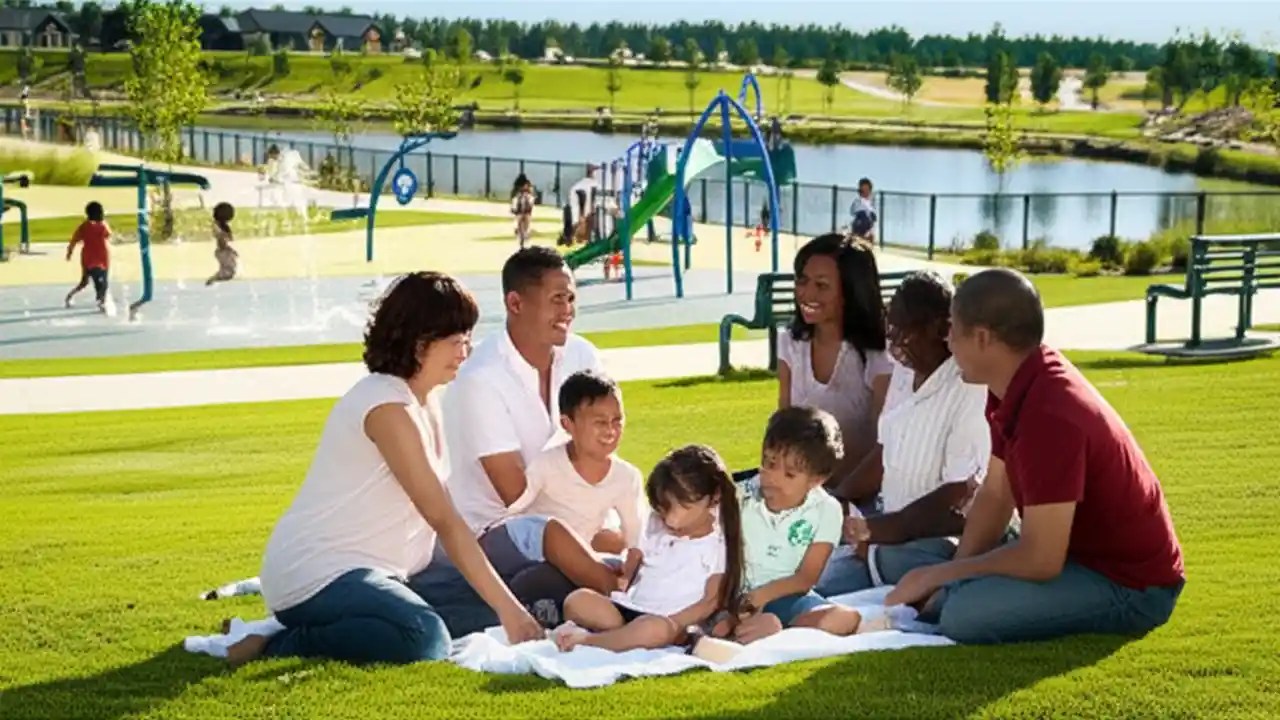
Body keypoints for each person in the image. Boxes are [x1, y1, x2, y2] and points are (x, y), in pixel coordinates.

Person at [227, 272, 543, 667]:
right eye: (455, 340)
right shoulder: (386, 407)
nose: (465, 351)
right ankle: (274, 643)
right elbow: (443, 517)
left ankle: (378, 620)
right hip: (319, 573)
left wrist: (506, 604)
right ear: (417, 342)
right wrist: (509, 610)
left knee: (490, 609)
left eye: (467, 338)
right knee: (423, 638)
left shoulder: (426, 402)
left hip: (390, 572)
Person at [885, 268, 1186, 644]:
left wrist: (942, 579)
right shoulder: (1013, 383)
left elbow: (1040, 559)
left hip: (1129, 584)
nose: (948, 342)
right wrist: (955, 572)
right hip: (1069, 551)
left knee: (963, 615)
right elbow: (995, 495)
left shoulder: (1050, 412)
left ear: (981, 338)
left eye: (953, 331)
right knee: (916, 562)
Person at [432, 247, 616, 624]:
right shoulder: (480, 378)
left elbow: (601, 453)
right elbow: (517, 497)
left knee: (638, 535)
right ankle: (632, 600)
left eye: (571, 298)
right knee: (559, 539)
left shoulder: (584, 357)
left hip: (570, 517)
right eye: (556, 299)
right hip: (492, 530)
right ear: (515, 303)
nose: (568, 309)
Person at [817, 271, 991, 597]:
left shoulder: (970, 387)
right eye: (890, 329)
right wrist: (837, 497)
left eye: (904, 332)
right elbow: (886, 451)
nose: (894, 344)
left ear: (942, 329)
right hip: (884, 530)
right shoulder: (904, 370)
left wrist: (877, 532)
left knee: (824, 588)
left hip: (932, 542)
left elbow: (958, 498)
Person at [551, 445, 743, 653]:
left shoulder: (717, 542)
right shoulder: (656, 523)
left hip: (668, 620)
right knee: (577, 600)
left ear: (713, 498)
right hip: (630, 609)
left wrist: (674, 624)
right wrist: (627, 576)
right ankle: (624, 637)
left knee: (653, 630)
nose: (670, 518)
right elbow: (638, 556)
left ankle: (587, 640)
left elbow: (709, 602)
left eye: (683, 508)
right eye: (663, 509)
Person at [723, 407, 875, 644]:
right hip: (734, 595)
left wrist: (759, 598)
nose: (773, 477)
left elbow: (806, 577)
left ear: (816, 480)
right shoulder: (741, 496)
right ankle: (757, 628)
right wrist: (741, 603)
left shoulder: (826, 510)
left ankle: (776, 628)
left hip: (788, 596)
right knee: (720, 625)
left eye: (790, 474)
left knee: (843, 619)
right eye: (769, 463)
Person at [777, 234, 893, 500]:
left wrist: (837, 501)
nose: (807, 293)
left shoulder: (880, 354)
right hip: (802, 497)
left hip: (863, 499)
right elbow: (782, 432)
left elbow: (884, 447)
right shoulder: (790, 344)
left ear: (851, 291)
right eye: (802, 281)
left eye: (822, 285)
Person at [516, 370, 644, 556]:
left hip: (590, 559)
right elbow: (513, 515)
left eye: (617, 421)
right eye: (600, 422)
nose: (610, 431)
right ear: (567, 424)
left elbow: (636, 538)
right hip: (542, 560)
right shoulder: (547, 465)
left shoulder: (626, 477)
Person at [65, 201, 113, 312]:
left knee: (85, 281)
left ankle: (70, 296)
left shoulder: (84, 226)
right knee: (102, 280)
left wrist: (69, 252)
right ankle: (101, 301)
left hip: (88, 257)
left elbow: (74, 240)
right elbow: (108, 235)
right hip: (101, 257)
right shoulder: (102, 226)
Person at [206, 202, 237, 287]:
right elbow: (222, 239)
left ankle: (215, 277)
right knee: (229, 272)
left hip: (223, 251)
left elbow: (227, 238)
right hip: (223, 251)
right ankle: (214, 278)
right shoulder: (218, 227)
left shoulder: (220, 226)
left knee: (230, 270)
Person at [510, 174, 535, 249]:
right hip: (524, 211)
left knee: (521, 225)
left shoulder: (517, 192)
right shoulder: (526, 192)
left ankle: (522, 238)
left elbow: (513, 202)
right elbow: (531, 200)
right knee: (524, 226)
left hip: (520, 212)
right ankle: (523, 238)